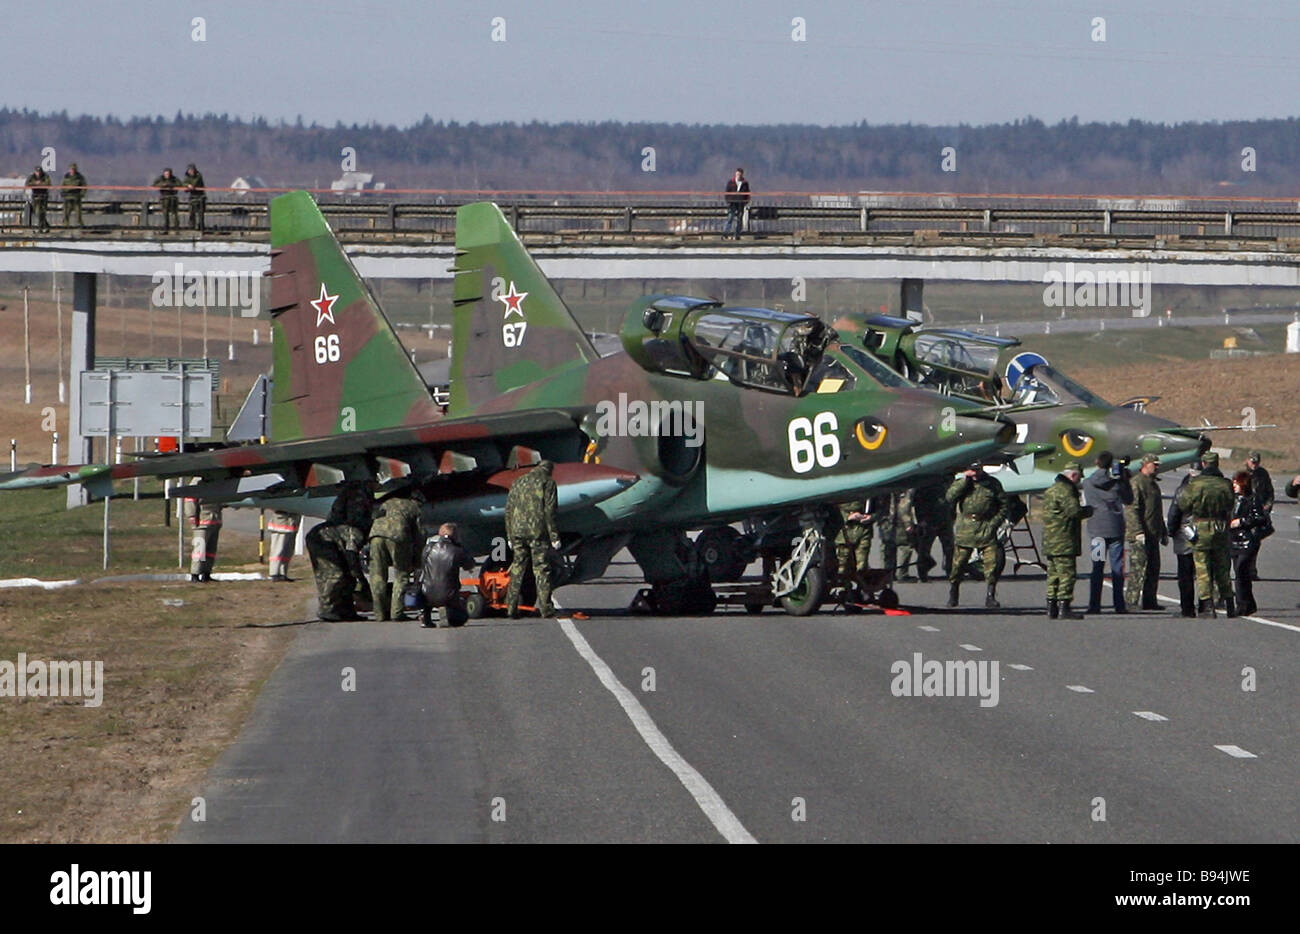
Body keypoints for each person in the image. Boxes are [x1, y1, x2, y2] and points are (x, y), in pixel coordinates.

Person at [1175, 451, 1235, 618]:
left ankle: (1207, 606)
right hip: (1220, 527)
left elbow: (1183, 504)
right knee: (1222, 567)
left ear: (1203, 464)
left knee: (1202, 568)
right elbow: (1230, 503)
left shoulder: (1195, 483)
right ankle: (1230, 603)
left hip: (1201, 526)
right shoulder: (1225, 484)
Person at [305, 479, 375, 621]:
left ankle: (347, 611)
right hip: (321, 539)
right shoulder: (356, 533)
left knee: (348, 578)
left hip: (332, 538)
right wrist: (361, 578)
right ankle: (326, 609)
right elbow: (351, 555)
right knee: (335, 575)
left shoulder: (352, 496)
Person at [945, 462, 1007, 608]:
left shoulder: (992, 484)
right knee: (958, 564)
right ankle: (954, 592)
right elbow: (949, 497)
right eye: (972, 470)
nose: (975, 473)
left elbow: (1004, 505)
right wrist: (965, 481)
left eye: (977, 470)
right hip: (966, 528)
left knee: (992, 564)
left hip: (986, 527)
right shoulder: (962, 483)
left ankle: (990, 595)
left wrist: (994, 523)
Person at [505, 460, 560, 618]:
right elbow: (550, 511)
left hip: (517, 531)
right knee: (541, 569)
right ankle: (546, 608)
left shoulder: (518, 481)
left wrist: (509, 535)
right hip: (537, 532)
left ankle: (510, 607)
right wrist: (554, 536)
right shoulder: (548, 482)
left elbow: (508, 510)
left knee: (517, 567)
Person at [1040, 461, 1092, 618]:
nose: (1079, 481)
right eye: (1079, 477)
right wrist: (1089, 511)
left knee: (1053, 574)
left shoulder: (1051, 489)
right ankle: (1064, 607)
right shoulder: (1066, 491)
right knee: (1067, 574)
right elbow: (1074, 511)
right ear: (1073, 475)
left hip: (1050, 539)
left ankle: (1051, 606)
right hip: (1064, 539)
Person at [1082, 451, 1132, 614]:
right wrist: (1125, 480)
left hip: (1097, 529)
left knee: (1097, 566)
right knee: (1117, 567)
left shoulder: (1088, 483)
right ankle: (1119, 604)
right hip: (1115, 528)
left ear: (1097, 462)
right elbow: (1129, 499)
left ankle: (1094, 604)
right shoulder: (1116, 484)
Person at [367, 486, 425, 621]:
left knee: (377, 576)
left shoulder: (388, 502)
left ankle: (379, 614)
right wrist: (417, 561)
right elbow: (419, 536)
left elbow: (375, 516)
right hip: (398, 537)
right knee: (401, 575)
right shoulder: (415, 508)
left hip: (376, 536)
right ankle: (397, 613)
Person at [1124, 453, 1167, 610]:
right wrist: (1137, 532)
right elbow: (1132, 509)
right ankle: (1131, 601)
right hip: (1140, 534)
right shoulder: (1137, 483)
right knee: (1138, 569)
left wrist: (1163, 531)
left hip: (1153, 533)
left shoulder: (1153, 484)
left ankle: (1150, 601)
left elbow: (1156, 510)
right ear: (1145, 464)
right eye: (1154, 464)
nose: (1157, 467)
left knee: (1153, 569)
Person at [419, 522, 476, 627]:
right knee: (462, 617)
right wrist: (462, 548)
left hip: (426, 593)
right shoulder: (457, 550)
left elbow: (422, 564)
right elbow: (470, 565)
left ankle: (425, 616)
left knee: (428, 587)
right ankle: (448, 614)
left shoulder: (428, 548)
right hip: (448, 595)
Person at [897, 478, 954, 582]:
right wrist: (915, 521)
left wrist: (951, 517)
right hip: (928, 520)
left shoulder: (944, 482)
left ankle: (951, 571)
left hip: (944, 519)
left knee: (949, 548)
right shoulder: (921, 484)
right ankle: (923, 573)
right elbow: (910, 504)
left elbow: (950, 501)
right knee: (924, 549)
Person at [1228, 471, 1266, 616]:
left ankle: (1242, 604)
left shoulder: (1252, 499)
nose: (1234, 485)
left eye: (1236, 482)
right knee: (1240, 573)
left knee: (1241, 570)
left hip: (1248, 540)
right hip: (1233, 539)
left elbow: (1261, 518)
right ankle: (1248, 603)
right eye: (1233, 482)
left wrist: (1242, 521)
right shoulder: (1231, 499)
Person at [1166, 465, 1199, 618]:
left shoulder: (1183, 490)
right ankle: (1206, 606)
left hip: (1185, 535)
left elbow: (1174, 513)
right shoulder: (1213, 487)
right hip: (1207, 534)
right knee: (1206, 573)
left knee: (1185, 575)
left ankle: (1187, 608)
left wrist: (1171, 531)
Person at [183, 477, 223, 582]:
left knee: (211, 551)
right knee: (199, 549)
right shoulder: (196, 482)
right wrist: (191, 515)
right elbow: (189, 500)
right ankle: (195, 574)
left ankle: (206, 573)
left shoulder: (216, 481)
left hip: (214, 520)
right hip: (202, 522)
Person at [1242, 452, 1273, 580]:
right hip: (1245, 513)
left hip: (1259, 513)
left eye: (1257, 462)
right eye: (1252, 462)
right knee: (1243, 543)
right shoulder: (1241, 474)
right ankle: (1242, 570)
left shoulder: (1263, 474)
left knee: (1255, 542)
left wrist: (1267, 507)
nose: (1254, 465)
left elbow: (1269, 493)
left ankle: (1251, 570)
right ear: (1247, 461)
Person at [834, 498, 875, 587]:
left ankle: (861, 588)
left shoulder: (869, 494)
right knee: (842, 565)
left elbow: (882, 508)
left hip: (864, 529)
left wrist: (871, 517)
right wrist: (848, 517)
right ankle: (842, 587)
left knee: (862, 565)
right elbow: (830, 510)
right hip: (843, 532)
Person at [267, 510, 301, 581]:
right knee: (278, 550)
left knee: (287, 552)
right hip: (281, 525)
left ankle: (282, 573)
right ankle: (274, 573)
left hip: (291, 524)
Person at [723, 167, 750, 239]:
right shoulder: (731, 182)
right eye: (737, 174)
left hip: (741, 203)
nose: (738, 176)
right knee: (730, 218)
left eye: (740, 175)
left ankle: (737, 234)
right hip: (732, 203)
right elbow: (727, 192)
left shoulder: (745, 183)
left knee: (739, 219)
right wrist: (728, 201)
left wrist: (745, 202)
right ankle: (725, 233)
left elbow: (747, 193)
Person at [153, 167, 181, 232]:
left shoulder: (174, 179)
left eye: (168, 174)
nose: (167, 175)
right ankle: (166, 228)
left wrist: (171, 185)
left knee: (174, 214)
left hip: (173, 198)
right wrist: (163, 185)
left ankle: (176, 228)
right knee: (165, 214)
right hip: (164, 198)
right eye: (166, 174)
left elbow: (180, 184)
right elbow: (154, 185)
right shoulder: (160, 178)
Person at [25, 166, 51, 232]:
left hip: (43, 196)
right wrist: (35, 183)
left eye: (39, 172)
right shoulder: (32, 176)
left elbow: (48, 184)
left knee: (42, 212)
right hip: (35, 197)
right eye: (37, 172)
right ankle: (46, 226)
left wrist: (40, 184)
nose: (38, 173)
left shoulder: (45, 176)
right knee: (37, 212)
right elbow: (27, 184)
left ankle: (40, 228)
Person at [61, 163, 86, 228]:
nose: (72, 170)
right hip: (68, 198)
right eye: (71, 169)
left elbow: (84, 187)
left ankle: (80, 225)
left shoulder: (80, 177)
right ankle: (65, 225)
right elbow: (62, 186)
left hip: (76, 198)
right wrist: (63, 192)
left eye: (74, 169)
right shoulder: (66, 177)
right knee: (66, 213)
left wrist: (81, 194)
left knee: (78, 213)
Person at [183, 163, 206, 231]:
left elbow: (195, 183)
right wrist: (187, 185)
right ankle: (192, 226)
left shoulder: (198, 175)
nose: (191, 171)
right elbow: (183, 183)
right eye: (189, 170)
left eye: (192, 170)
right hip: (192, 196)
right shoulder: (187, 176)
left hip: (200, 196)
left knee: (200, 213)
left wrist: (189, 185)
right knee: (191, 212)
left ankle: (201, 226)